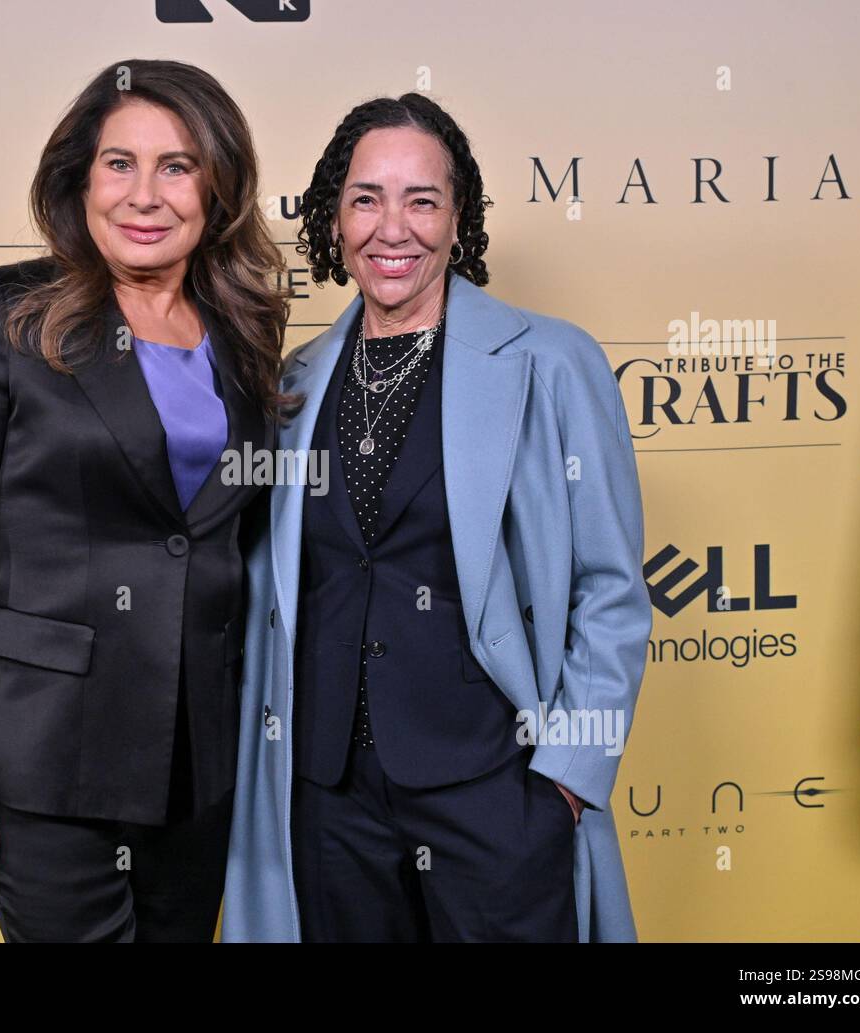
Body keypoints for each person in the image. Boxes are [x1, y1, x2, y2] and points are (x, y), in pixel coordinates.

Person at [221, 93, 652, 942]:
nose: (394, 227)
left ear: (459, 221)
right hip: (329, 797)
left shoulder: (551, 363)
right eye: (366, 198)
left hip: (496, 789)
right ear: (333, 221)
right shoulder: (292, 384)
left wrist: (566, 776)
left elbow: (610, 587)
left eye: (422, 200)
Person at [0, 58, 290, 942]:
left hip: (199, 763)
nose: (144, 194)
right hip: (48, 761)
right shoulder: (9, 313)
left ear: (216, 186)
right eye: (120, 164)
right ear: (80, 180)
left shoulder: (242, 330)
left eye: (177, 166)